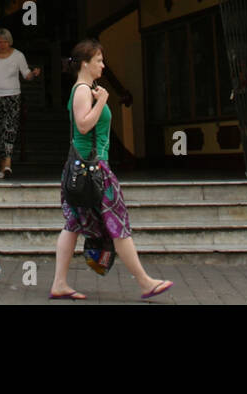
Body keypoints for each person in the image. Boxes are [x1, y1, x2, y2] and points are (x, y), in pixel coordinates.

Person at [50, 39, 173, 301]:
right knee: (117, 223)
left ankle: (60, 283)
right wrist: (102, 101)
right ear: (85, 64)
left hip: (84, 169)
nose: (103, 65)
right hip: (93, 170)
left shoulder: (86, 89)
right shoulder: (83, 90)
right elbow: (83, 126)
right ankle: (145, 282)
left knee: (73, 224)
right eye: (99, 60)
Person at [0, 28, 41, 179]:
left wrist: (33, 74)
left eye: (4, 42)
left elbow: (26, 74)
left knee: (9, 129)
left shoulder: (18, 55)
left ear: (10, 42)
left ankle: (7, 166)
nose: (2, 45)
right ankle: (3, 165)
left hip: (12, 97)